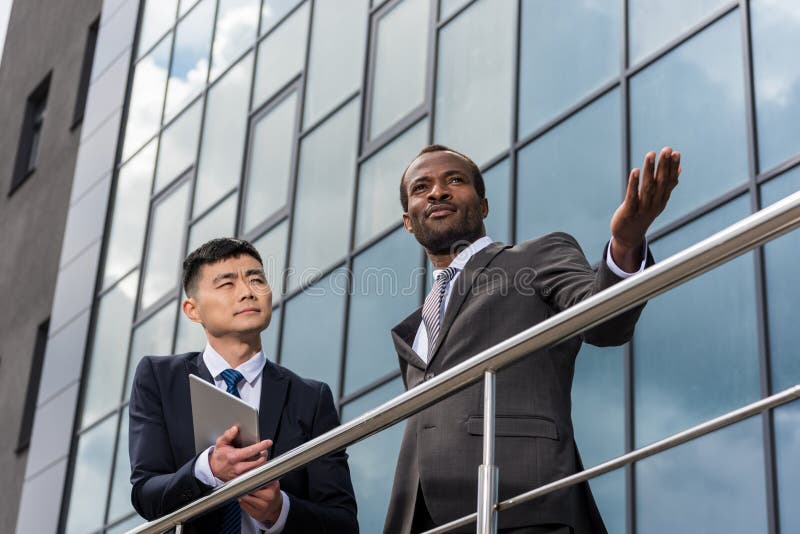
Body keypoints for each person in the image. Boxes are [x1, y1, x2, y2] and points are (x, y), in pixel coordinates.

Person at [384, 145, 681, 533]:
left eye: (454, 180)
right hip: (421, 519)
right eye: (421, 187)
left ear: (484, 206)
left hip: (521, 505)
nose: (438, 192)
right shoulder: (415, 329)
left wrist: (625, 245)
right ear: (409, 221)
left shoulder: (536, 257)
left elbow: (605, 322)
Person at [129, 238, 359, 534]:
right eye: (227, 284)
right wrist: (208, 469)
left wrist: (279, 511)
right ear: (192, 309)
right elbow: (146, 494)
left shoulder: (310, 398)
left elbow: (343, 524)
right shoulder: (159, 379)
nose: (248, 292)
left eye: (257, 280)